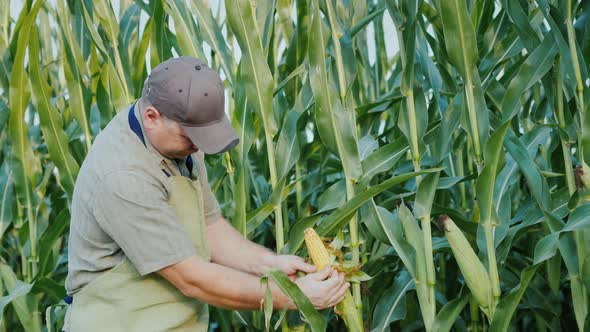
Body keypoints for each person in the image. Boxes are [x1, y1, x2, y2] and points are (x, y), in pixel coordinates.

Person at [62, 56, 349, 331]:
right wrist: (295, 295)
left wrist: (270, 264)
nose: (198, 148)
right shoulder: (123, 176)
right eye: (191, 138)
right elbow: (192, 279)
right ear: (152, 117)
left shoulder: (180, 141)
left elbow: (211, 228)